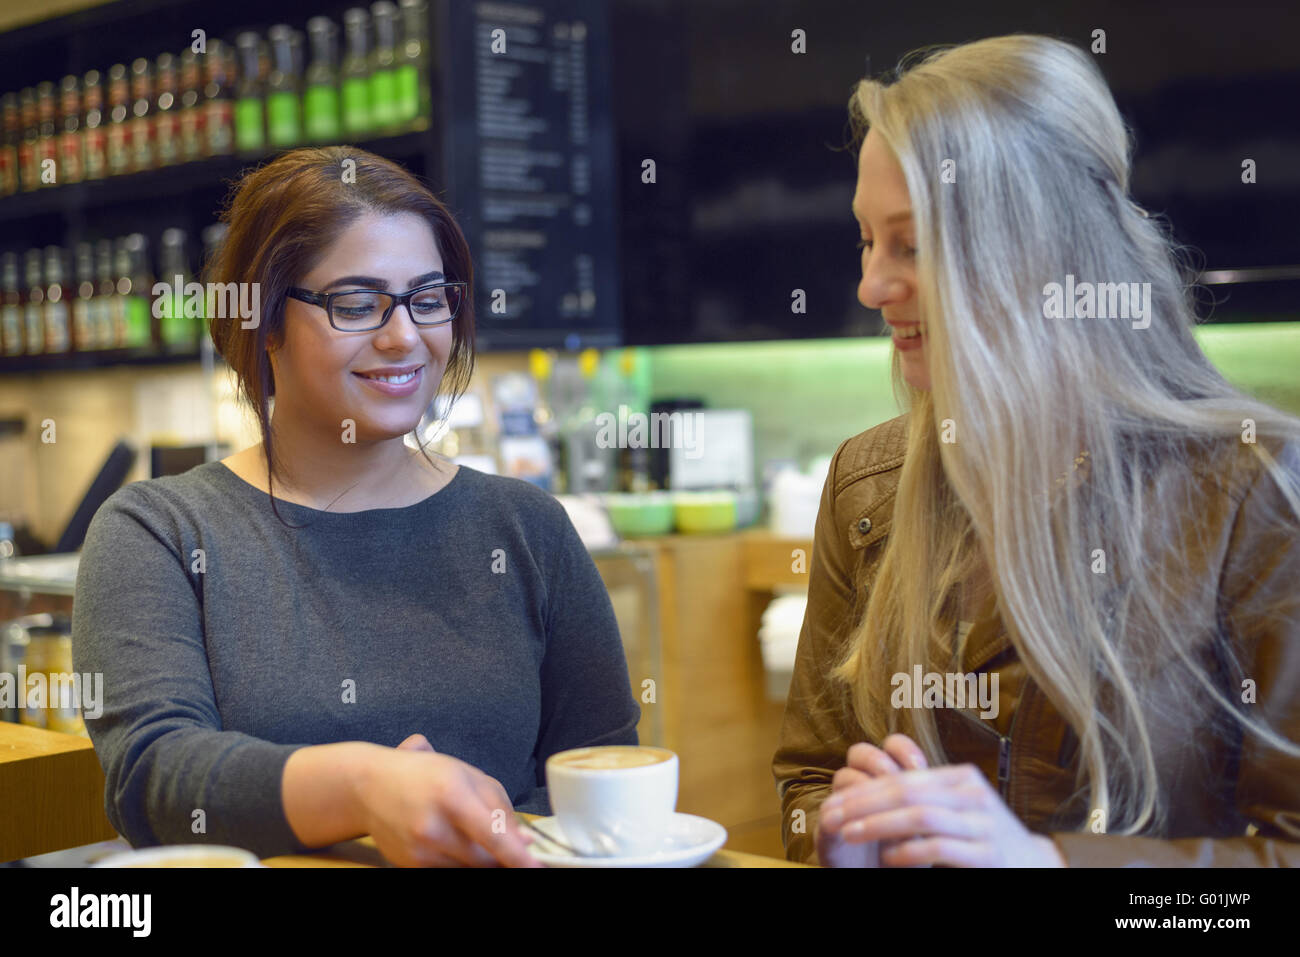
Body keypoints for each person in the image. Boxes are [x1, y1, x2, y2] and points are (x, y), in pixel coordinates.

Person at [772, 34, 1300, 867]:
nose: (872, 284)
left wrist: (1046, 862)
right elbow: (807, 776)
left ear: (1041, 252)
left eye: (911, 244)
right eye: (867, 240)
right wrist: (843, 832)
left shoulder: (1254, 488)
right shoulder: (864, 485)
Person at [73, 146, 640, 867]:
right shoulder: (157, 530)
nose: (403, 335)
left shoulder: (526, 527)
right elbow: (157, 780)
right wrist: (370, 784)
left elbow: (603, 778)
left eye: (427, 298)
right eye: (357, 302)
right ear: (264, 320)